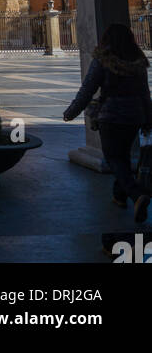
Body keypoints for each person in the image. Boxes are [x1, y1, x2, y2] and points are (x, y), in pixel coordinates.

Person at [63, 22, 152, 223]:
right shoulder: (138, 61)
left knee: (114, 158)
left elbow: (87, 90)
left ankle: (136, 195)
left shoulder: (103, 60)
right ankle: (119, 197)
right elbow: (145, 94)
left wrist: (71, 112)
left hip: (111, 116)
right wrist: (148, 118)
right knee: (123, 156)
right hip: (134, 116)